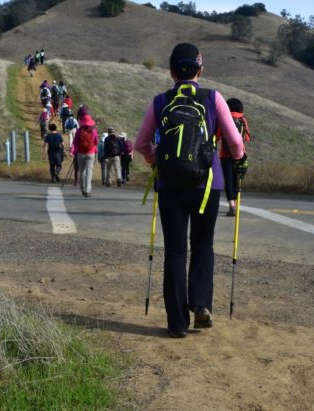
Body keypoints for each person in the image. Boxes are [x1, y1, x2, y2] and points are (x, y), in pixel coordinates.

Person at [134, 43, 248, 338]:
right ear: (200, 69)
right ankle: (201, 306)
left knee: (174, 251)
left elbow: (140, 145)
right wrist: (240, 161)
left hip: (170, 184)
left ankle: (177, 324)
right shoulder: (213, 98)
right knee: (203, 245)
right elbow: (235, 144)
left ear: (171, 71)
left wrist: (155, 158)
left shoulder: (160, 101)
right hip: (208, 184)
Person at [217, 97, 252, 216]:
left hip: (225, 155)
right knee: (237, 179)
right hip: (239, 155)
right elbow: (247, 138)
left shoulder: (224, 119)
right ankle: (236, 205)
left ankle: (231, 205)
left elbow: (218, 136)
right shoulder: (243, 120)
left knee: (228, 180)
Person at [72, 114, 99, 197]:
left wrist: (75, 151)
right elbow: (96, 142)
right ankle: (88, 190)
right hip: (91, 153)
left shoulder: (79, 131)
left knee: (82, 171)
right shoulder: (94, 131)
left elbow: (75, 142)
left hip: (81, 153)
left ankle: (82, 189)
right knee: (89, 172)